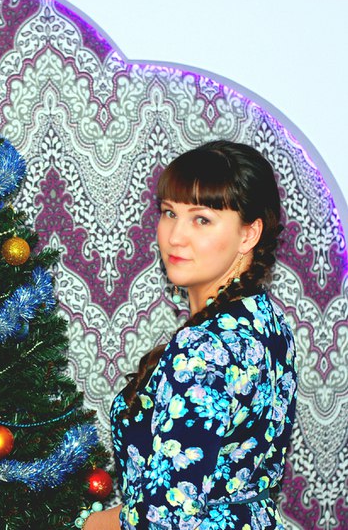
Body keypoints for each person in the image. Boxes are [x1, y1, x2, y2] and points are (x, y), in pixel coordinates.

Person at [82, 141, 297, 529]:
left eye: (202, 219)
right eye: (169, 213)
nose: (175, 236)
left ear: (249, 234)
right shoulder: (269, 321)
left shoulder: (203, 348)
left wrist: (93, 524)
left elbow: (167, 517)